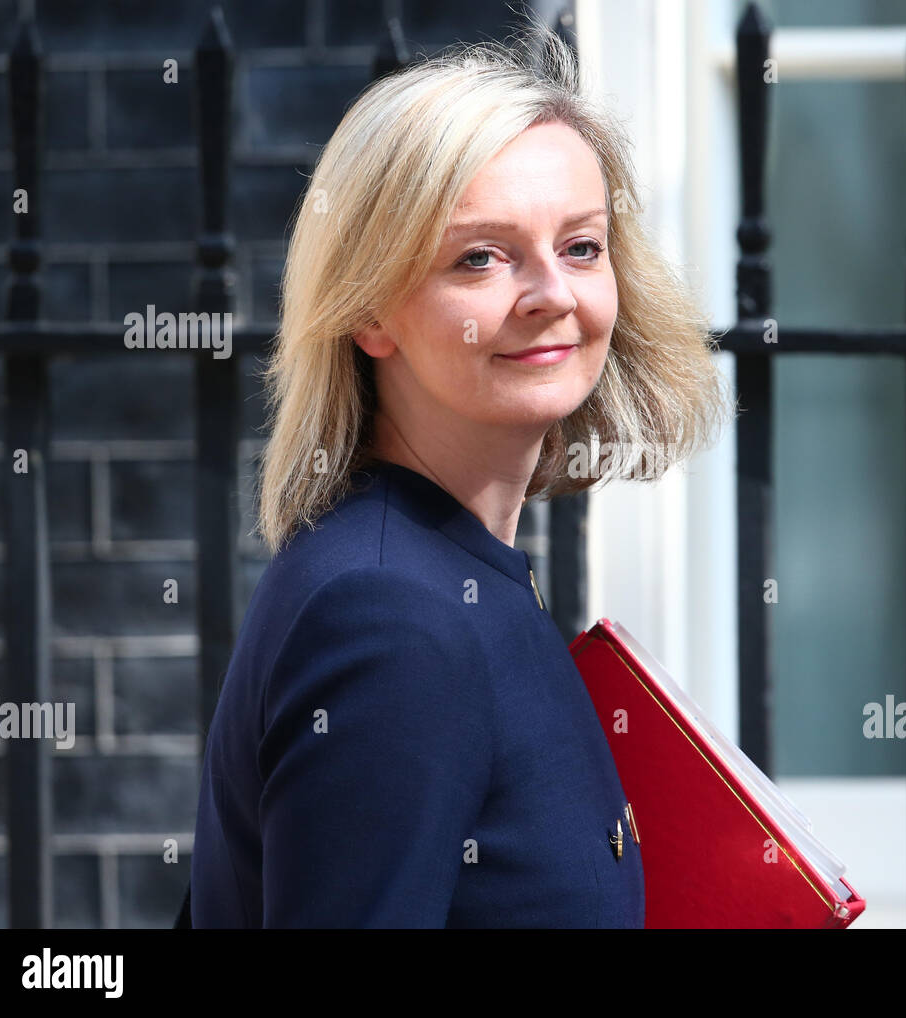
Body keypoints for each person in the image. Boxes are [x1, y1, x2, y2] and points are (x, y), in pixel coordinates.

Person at [186, 21, 729, 928]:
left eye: (582, 247)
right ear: (370, 313)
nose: (552, 293)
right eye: (480, 256)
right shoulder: (389, 616)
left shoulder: (449, 571)